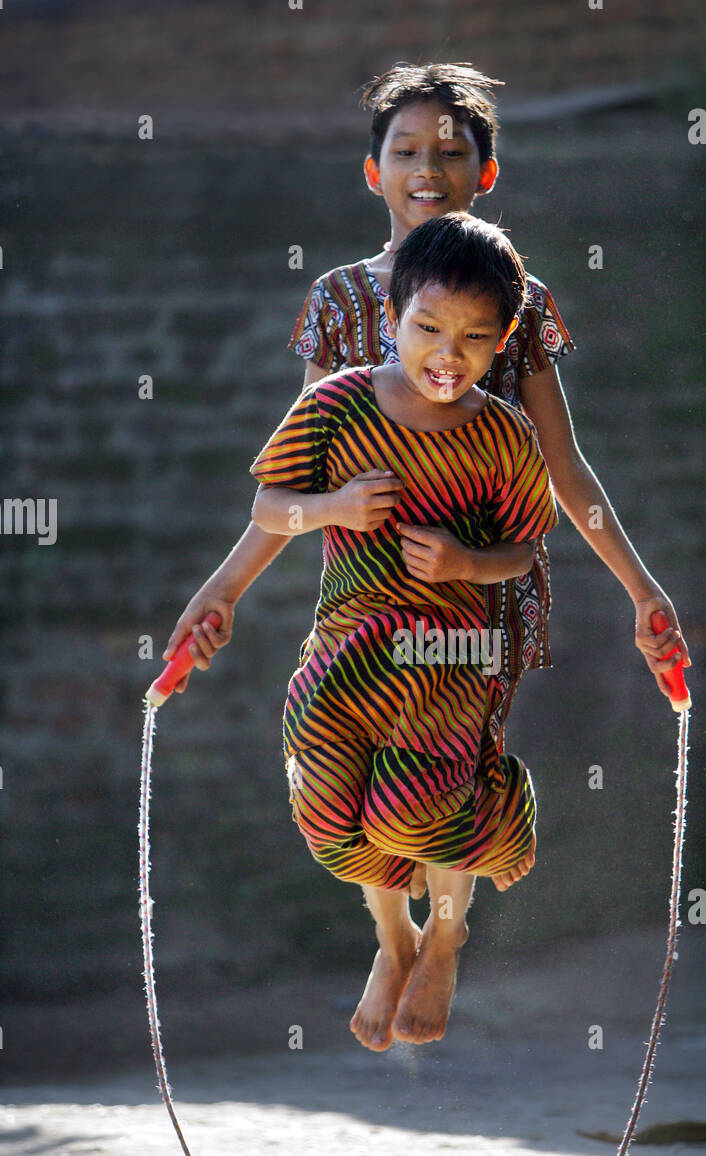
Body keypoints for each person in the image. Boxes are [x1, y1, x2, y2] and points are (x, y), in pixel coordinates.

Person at [164, 61, 690, 725]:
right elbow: (302, 474)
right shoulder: (338, 299)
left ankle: (494, 826)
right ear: (373, 172)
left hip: (478, 595)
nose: (429, 171)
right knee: (349, 790)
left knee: (441, 795)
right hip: (367, 603)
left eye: (451, 153)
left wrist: (642, 591)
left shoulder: (519, 304)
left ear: (486, 174)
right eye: (406, 151)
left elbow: (563, 466)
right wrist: (223, 591)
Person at [248, 214, 558, 1051]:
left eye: (475, 337)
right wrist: (332, 509)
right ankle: (394, 939)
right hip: (346, 652)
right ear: (390, 316)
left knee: (420, 816)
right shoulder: (337, 405)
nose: (447, 354)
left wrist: (465, 561)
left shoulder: (503, 434)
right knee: (328, 820)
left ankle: (448, 937)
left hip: (453, 656)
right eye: (427, 328)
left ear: (501, 345)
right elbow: (269, 507)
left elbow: (526, 546)